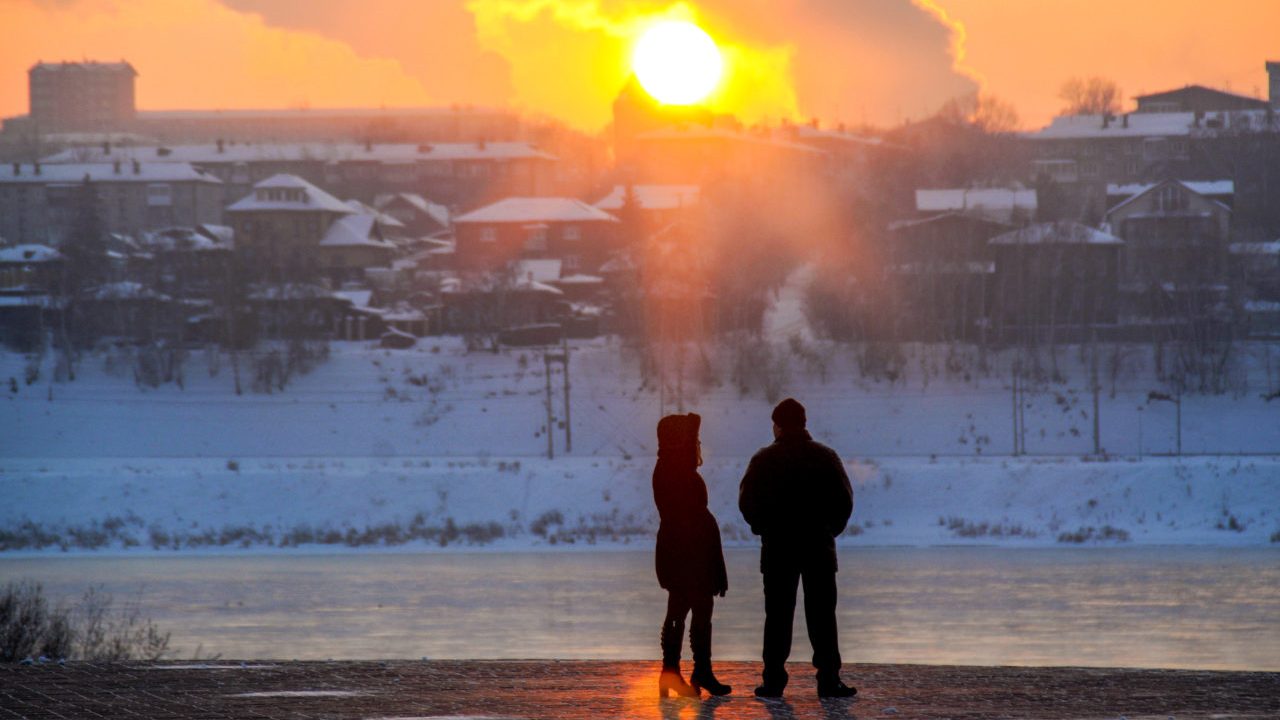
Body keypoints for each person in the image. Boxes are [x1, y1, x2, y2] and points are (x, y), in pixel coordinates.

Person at [738, 398, 857, 699]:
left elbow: (747, 502)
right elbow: (844, 501)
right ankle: (829, 680)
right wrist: (829, 531)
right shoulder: (826, 457)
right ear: (804, 423)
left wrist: (764, 529)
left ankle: (773, 681)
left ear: (777, 425)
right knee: (822, 616)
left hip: (778, 550)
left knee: (777, 616)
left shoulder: (763, 459)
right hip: (819, 548)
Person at [653, 413, 731, 698]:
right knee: (685, 610)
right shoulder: (675, 471)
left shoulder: (672, 468)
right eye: (694, 439)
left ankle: (685, 672)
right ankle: (681, 673)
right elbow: (685, 514)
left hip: (686, 553)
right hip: (687, 554)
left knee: (692, 610)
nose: (698, 445)